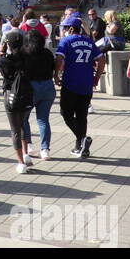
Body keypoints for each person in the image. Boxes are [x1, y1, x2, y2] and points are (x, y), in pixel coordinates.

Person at [55, 15, 105, 158]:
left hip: (70, 83)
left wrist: (56, 75)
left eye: (65, 28)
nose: (64, 30)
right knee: (82, 115)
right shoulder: (89, 42)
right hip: (87, 83)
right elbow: (101, 59)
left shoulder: (66, 41)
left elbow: (59, 58)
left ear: (70, 28)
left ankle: (83, 139)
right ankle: (81, 147)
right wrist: (97, 76)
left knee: (66, 113)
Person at [0, 31, 35, 173]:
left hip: (10, 95)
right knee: (24, 124)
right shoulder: (29, 58)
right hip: (27, 95)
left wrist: (1, 52)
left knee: (15, 130)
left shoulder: (3, 60)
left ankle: (21, 163)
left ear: (8, 44)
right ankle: (26, 154)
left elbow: (0, 70)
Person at [23, 31, 57, 160]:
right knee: (43, 120)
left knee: (24, 118)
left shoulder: (25, 53)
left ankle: (29, 145)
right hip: (48, 87)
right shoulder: (47, 53)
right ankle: (45, 149)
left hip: (30, 88)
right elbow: (53, 67)